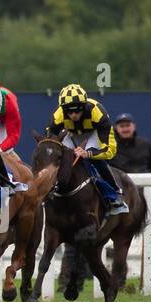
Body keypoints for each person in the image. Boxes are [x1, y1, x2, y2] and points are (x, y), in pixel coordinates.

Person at [46, 84, 129, 216]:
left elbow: (110, 150)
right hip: (71, 133)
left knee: (92, 160)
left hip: (93, 134)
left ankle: (115, 193)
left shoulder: (98, 114)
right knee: (59, 157)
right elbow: (50, 142)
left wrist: (88, 153)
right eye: (69, 111)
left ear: (84, 107)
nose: (73, 115)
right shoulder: (58, 116)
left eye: (77, 111)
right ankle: (47, 190)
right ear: (63, 110)